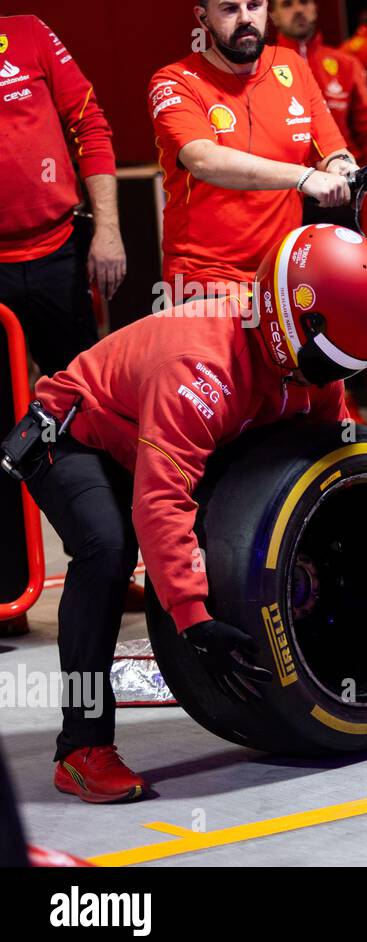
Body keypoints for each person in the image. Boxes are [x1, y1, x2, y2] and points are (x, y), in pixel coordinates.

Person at [11, 225, 367, 802]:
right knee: (107, 552)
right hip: (73, 435)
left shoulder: (308, 367)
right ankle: (81, 749)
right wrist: (191, 617)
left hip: (151, 432)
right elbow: (163, 498)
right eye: (324, 362)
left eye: (343, 367)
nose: (329, 377)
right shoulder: (199, 368)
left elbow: (327, 466)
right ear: (288, 323)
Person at [0, 13, 128, 635]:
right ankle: (4, 596)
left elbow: (90, 123)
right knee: (0, 429)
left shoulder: (29, 31)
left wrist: (106, 229)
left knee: (88, 417)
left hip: (58, 256)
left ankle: (116, 563)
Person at [149, 0, 357, 303]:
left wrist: (343, 168)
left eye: (255, 5)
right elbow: (205, 160)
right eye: (230, 9)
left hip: (282, 274)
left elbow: (332, 150)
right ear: (203, 17)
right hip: (205, 278)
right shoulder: (174, 80)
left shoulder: (292, 66)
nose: (246, 18)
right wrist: (304, 176)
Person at [270, 0, 367, 168]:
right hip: (289, 180)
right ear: (273, 16)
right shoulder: (262, 67)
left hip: (344, 175)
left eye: (304, 2)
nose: (298, 10)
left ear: (315, 9)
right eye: (287, 4)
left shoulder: (346, 64)